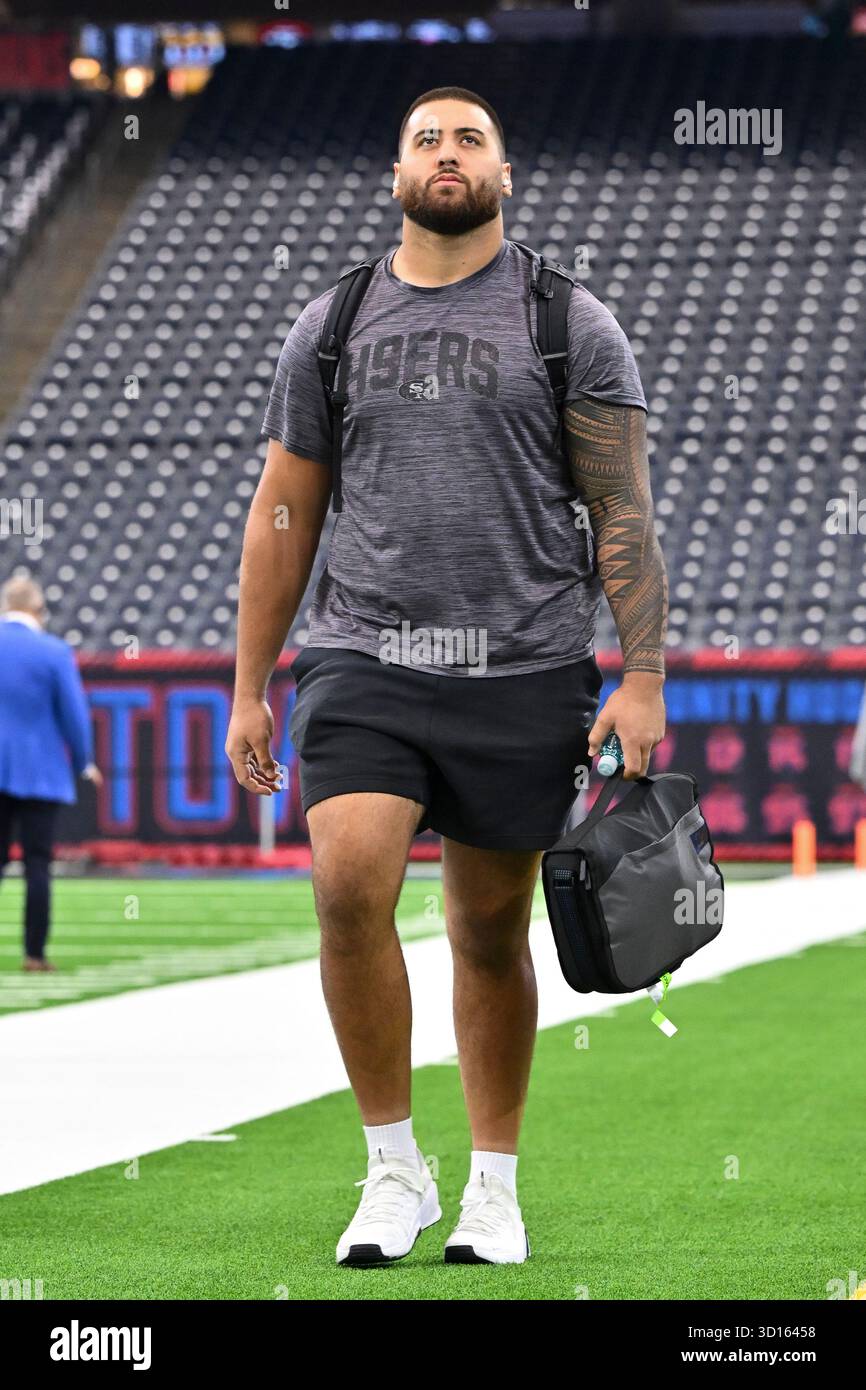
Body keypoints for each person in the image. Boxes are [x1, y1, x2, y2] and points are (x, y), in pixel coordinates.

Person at [226, 86, 668, 1267]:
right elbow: (283, 509)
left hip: (521, 662)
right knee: (346, 882)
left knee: (485, 928)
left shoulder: (568, 319)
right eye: (426, 137)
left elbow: (620, 507)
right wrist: (250, 682)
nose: (447, 153)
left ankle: (491, 1186)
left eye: (469, 137)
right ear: (395, 173)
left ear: (504, 173)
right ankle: (391, 1171)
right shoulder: (331, 323)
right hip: (365, 653)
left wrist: (640, 673)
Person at [0, 577, 101, 971]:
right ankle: (34, 954)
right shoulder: (54, 651)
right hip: (40, 773)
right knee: (37, 864)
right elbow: (74, 715)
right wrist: (84, 761)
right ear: (38, 610)